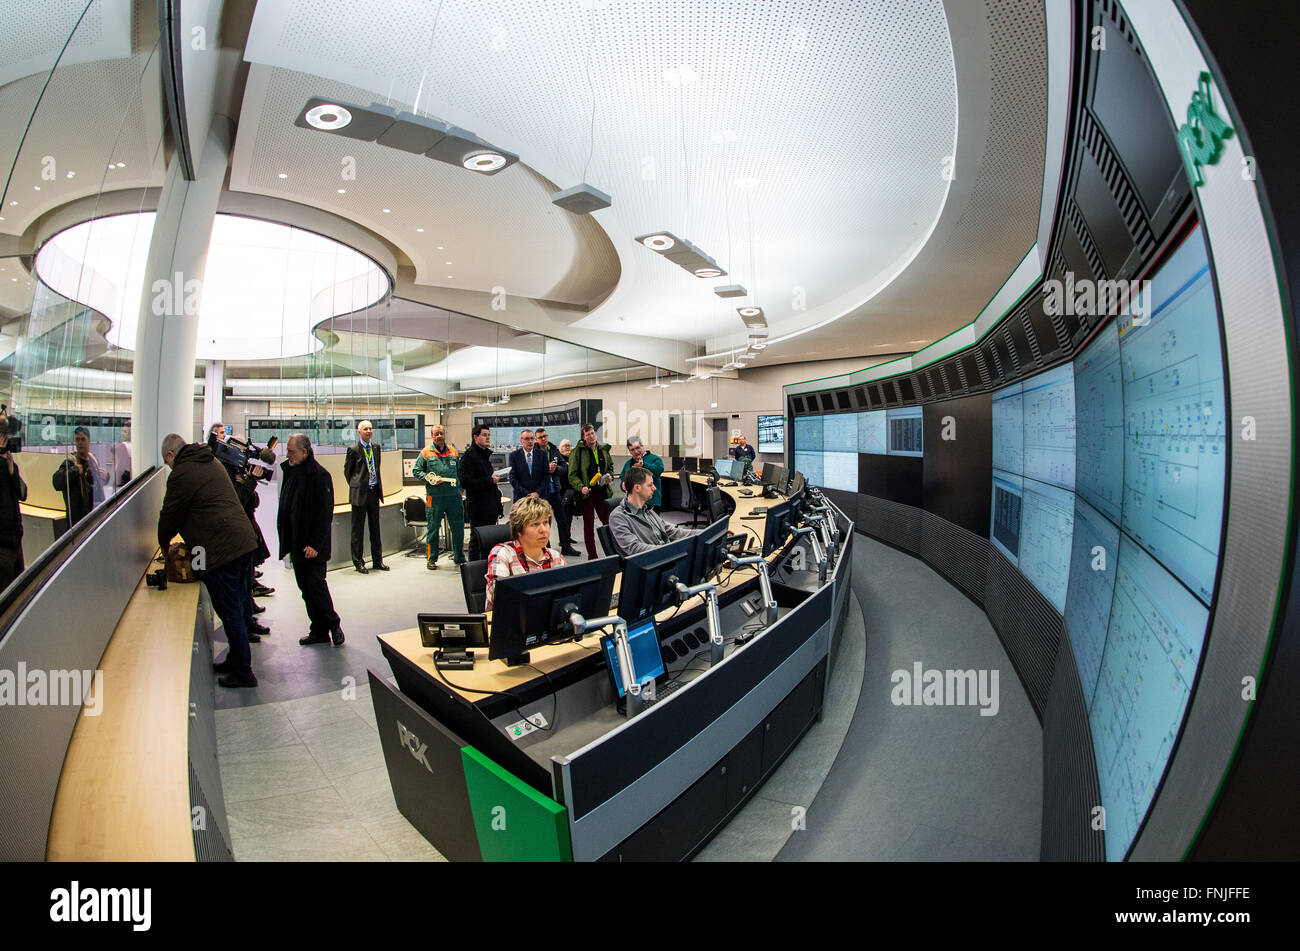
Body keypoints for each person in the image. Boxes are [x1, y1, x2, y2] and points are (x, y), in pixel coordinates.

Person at [157, 434, 260, 688]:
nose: (169, 466)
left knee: (229, 611)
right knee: (235, 605)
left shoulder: (182, 473)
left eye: (167, 461)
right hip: (242, 542)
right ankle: (236, 660)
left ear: (171, 455)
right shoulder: (209, 460)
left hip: (222, 550)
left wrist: (163, 542)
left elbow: (170, 513)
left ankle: (244, 671)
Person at [208, 422, 273, 641]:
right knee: (239, 589)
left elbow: (252, 501)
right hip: (235, 538)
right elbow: (241, 500)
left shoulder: (235, 470)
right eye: (219, 435)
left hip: (246, 533)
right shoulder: (222, 473)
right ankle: (245, 629)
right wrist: (250, 482)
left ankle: (250, 622)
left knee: (246, 584)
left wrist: (247, 482)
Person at [278, 434, 344, 647]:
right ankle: (318, 630)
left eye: (291, 451)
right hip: (297, 543)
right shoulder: (293, 472)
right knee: (305, 589)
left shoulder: (320, 476)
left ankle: (334, 625)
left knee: (316, 587)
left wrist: (315, 544)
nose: (288, 455)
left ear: (304, 452)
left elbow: (325, 514)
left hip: (313, 546)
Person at [484, 496, 567, 611]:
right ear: (519, 530)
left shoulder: (556, 557)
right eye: (535, 524)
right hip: (510, 624)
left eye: (545, 522)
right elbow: (497, 595)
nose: (543, 530)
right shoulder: (503, 553)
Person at [609, 465, 698, 556]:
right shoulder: (618, 517)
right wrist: (672, 550)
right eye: (650, 485)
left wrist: (702, 533)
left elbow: (670, 531)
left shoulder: (648, 510)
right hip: (652, 564)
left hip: (666, 556)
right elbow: (634, 548)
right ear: (637, 488)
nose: (654, 488)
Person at [413, 424, 465, 570]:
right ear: (432, 436)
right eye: (436, 434)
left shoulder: (453, 452)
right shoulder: (425, 453)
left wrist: (460, 490)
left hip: (454, 497)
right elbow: (416, 471)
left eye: (441, 433)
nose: (439, 436)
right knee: (433, 529)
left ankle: (459, 557)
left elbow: (460, 473)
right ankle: (431, 559)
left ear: (445, 434)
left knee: (458, 528)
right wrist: (428, 478)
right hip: (434, 498)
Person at [344, 419, 387, 573]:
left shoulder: (376, 448)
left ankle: (378, 561)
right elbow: (348, 473)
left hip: (374, 492)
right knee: (358, 530)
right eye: (365, 429)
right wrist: (357, 485)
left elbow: (377, 467)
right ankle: (358, 562)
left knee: (375, 529)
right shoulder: (353, 449)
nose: (369, 431)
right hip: (359, 494)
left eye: (370, 428)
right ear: (359, 432)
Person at [567, 422, 614, 560]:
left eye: (592, 433)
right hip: (587, 494)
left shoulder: (603, 450)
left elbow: (610, 467)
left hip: (602, 491)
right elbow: (572, 474)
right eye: (588, 434)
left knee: (608, 521)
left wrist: (609, 476)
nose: (591, 436)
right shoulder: (577, 452)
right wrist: (581, 486)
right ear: (584, 437)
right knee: (589, 525)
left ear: (595, 434)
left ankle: (613, 551)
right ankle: (592, 556)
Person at [459, 422, 502, 561]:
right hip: (478, 507)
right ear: (475, 437)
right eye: (484, 435)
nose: (488, 438)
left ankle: (486, 568)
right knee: (477, 541)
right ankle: (473, 571)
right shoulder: (469, 456)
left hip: (489, 506)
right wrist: (490, 480)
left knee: (488, 541)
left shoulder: (483, 455)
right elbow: (465, 482)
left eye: (489, 435)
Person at [52, 426, 107, 531]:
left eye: (83, 439)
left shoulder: (93, 461)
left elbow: (96, 488)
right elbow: (56, 482)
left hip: (93, 517)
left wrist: (105, 477)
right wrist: (74, 471)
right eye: (77, 440)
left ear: (89, 441)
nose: (80, 443)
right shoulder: (71, 462)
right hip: (77, 522)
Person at [537, 428, 578, 556]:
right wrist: (546, 469)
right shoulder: (535, 452)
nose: (543, 439)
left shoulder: (553, 449)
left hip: (555, 491)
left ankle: (566, 546)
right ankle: (545, 548)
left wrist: (555, 469)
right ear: (537, 439)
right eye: (540, 437)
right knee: (544, 521)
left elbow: (564, 467)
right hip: (543, 492)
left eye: (545, 436)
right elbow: (533, 472)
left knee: (562, 519)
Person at [0, 419, 27, 589]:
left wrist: (11, 471)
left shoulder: (10, 465)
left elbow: (23, 494)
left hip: (16, 542)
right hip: (2, 547)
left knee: (18, 593)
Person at [619, 436, 665, 511]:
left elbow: (659, 470)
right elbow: (622, 479)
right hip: (633, 503)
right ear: (629, 451)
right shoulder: (628, 464)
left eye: (638, 448)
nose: (636, 451)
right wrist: (623, 485)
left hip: (651, 502)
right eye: (632, 449)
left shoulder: (655, 459)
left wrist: (644, 465)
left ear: (642, 446)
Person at [507, 429, 549, 508]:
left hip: (539, 498)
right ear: (521, 441)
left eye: (532, 438)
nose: (530, 441)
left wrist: (537, 492)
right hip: (521, 498)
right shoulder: (514, 456)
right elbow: (512, 478)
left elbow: (546, 476)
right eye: (527, 439)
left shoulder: (542, 455)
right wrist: (527, 494)